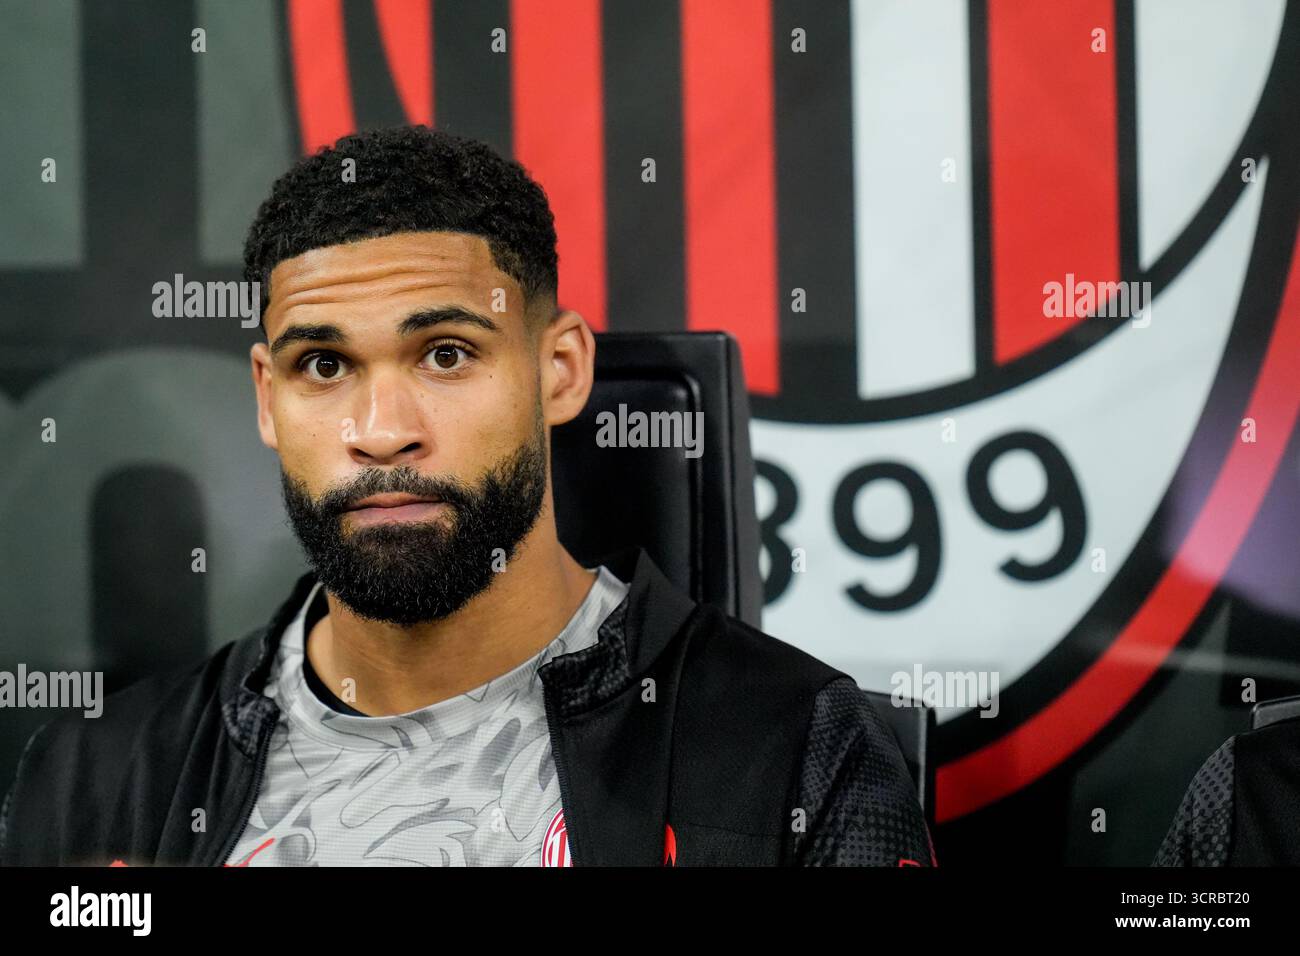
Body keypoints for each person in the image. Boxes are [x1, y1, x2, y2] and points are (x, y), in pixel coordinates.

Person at [0, 126, 933, 867]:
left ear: (559, 369)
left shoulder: (793, 751)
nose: (380, 428)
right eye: (322, 365)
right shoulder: (96, 778)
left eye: (445, 354)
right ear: (266, 399)